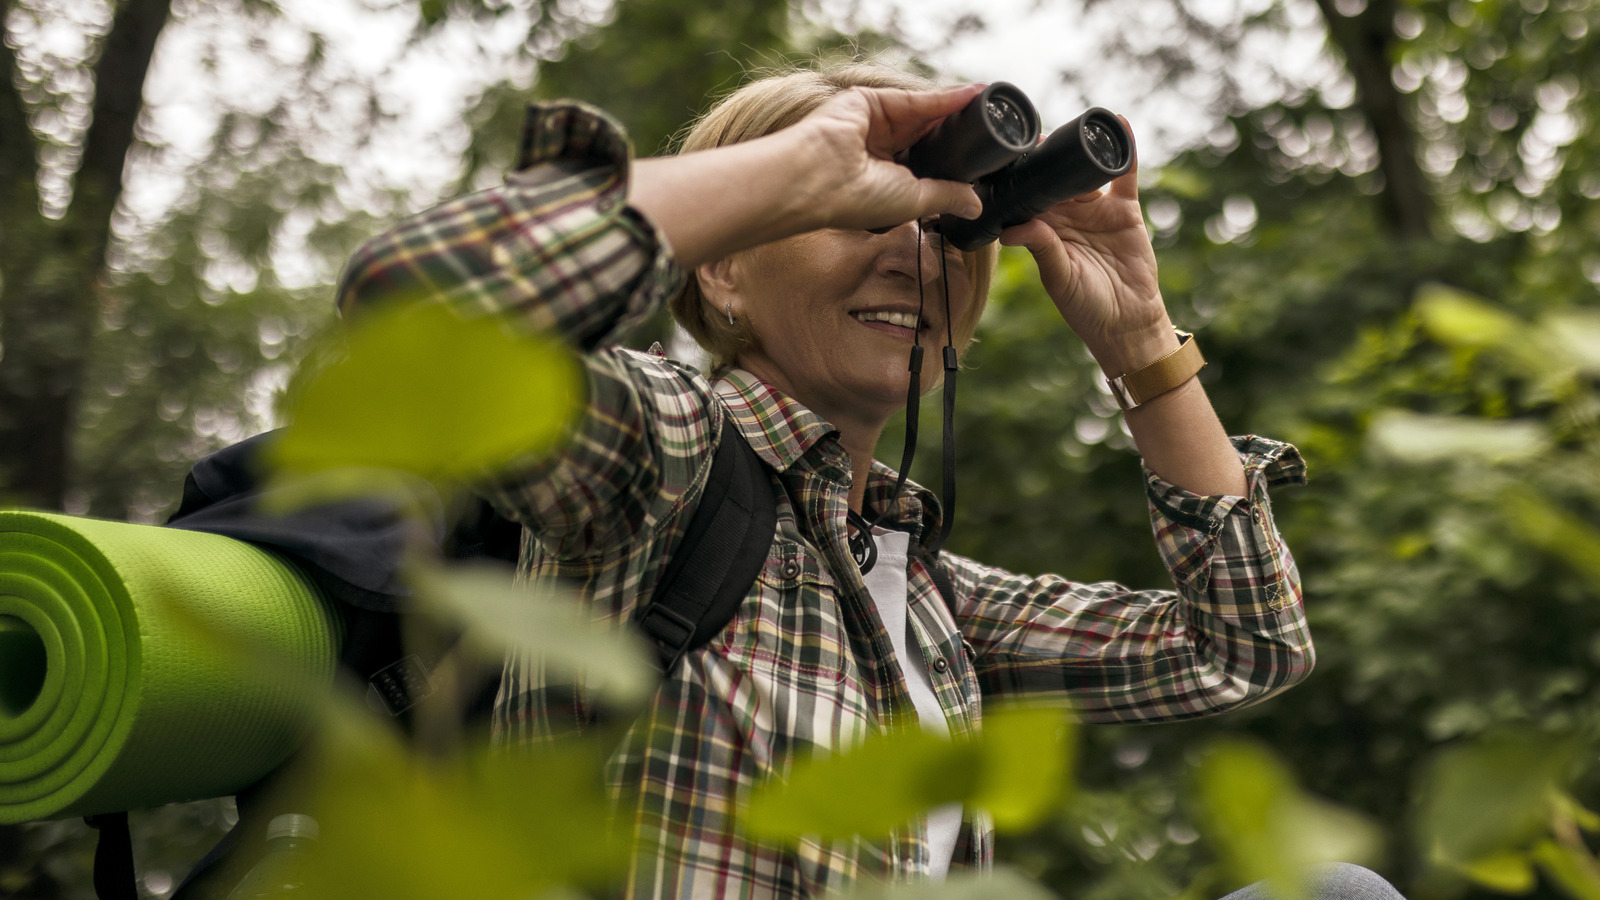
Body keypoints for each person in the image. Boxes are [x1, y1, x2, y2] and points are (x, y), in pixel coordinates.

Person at [335, 61, 1387, 898]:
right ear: (725, 269)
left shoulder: (927, 596)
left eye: (948, 229)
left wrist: (1141, 339)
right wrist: (801, 168)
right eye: (860, 216)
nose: (912, 256)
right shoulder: (664, 450)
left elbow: (1245, 647)